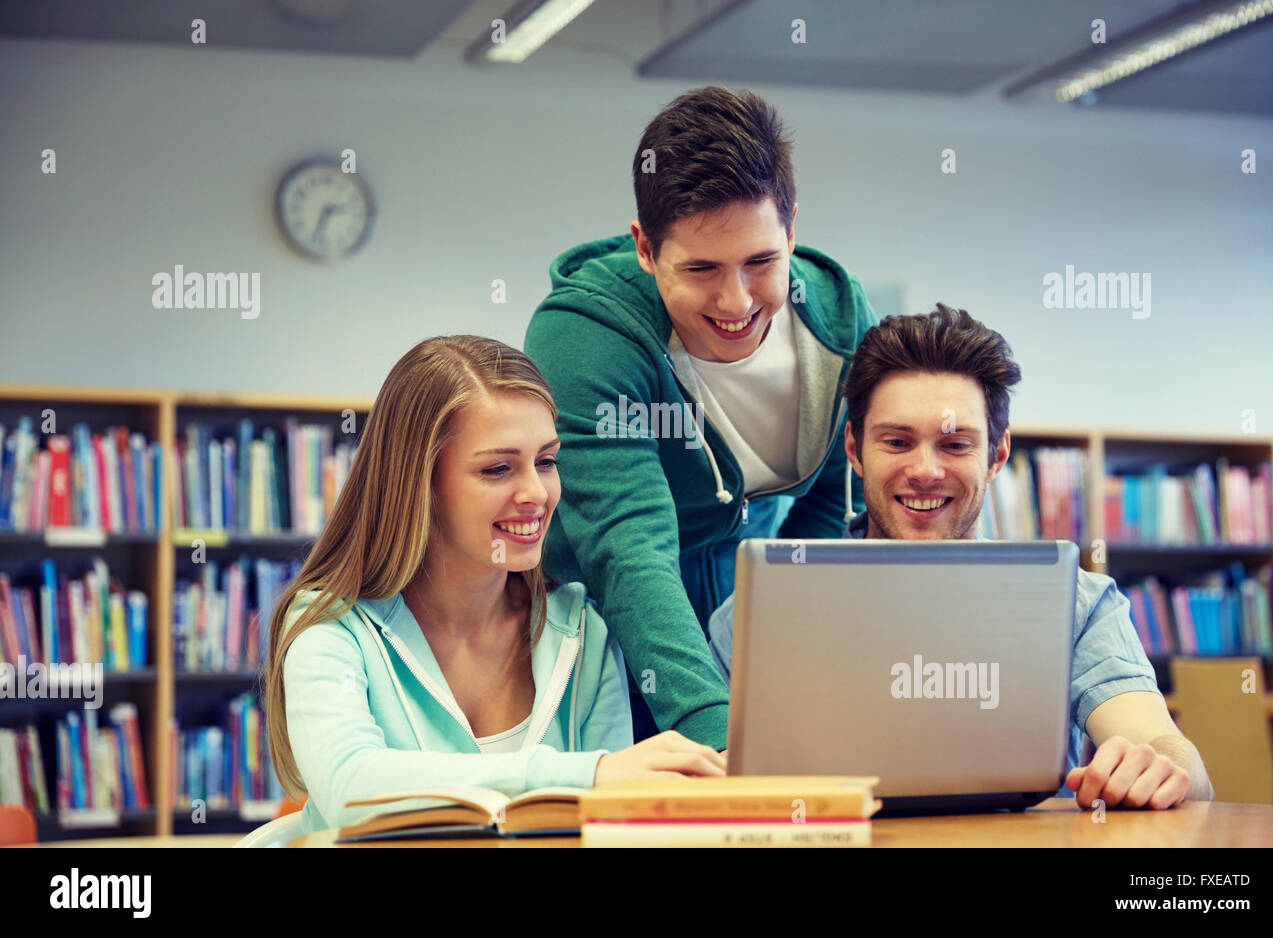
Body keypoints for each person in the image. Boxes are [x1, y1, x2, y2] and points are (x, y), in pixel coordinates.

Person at [708, 304, 1214, 810]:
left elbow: (1168, 750)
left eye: (954, 444)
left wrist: (1161, 766)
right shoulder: (764, 606)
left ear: (996, 456)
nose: (925, 470)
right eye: (897, 441)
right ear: (856, 451)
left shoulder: (1074, 600)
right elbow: (709, 771)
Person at [524, 86, 876, 749]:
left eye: (762, 261)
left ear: (793, 228)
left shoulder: (839, 326)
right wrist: (722, 742)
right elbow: (630, 551)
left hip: (747, 647)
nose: (736, 301)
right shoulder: (586, 336)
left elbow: (832, 495)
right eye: (702, 268)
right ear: (646, 249)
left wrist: (785, 665)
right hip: (599, 652)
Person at [264, 336, 725, 833]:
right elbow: (349, 789)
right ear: (420, 482)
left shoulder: (582, 629)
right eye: (498, 468)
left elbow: (601, 827)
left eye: (546, 461)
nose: (536, 492)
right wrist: (585, 775)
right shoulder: (331, 627)